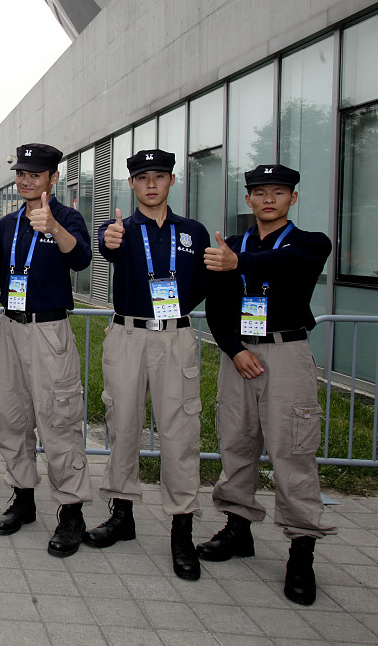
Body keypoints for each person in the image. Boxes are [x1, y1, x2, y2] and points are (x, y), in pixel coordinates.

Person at [200, 164, 336, 605]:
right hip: (238, 354)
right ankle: (238, 529)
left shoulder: (309, 243)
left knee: (291, 450)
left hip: (285, 352)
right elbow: (218, 304)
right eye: (260, 192)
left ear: (293, 198)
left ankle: (301, 550)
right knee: (236, 442)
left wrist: (240, 262)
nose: (269, 199)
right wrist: (233, 349)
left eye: (279, 192)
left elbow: (285, 267)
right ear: (249, 200)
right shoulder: (231, 245)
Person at [90, 148, 209, 581]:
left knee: (179, 431)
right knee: (123, 425)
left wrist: (174, 314)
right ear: (133, 185)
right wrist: (108, 240)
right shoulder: (120, 229)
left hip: (174, 338)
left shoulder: (192, 232)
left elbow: (199, 284)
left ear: (172, 181)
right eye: (143, 178)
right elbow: (107, 249)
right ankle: (122, 514)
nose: (151, 184)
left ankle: (181, 530)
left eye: (159, 176)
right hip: (127, 336)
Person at [0, 144, 94, 558]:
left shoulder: (68, 218)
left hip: (48, 330)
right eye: (21, 173)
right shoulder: (7, 225)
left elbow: (82, 259)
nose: (26, 180)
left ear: (53, 178)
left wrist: (54, 230)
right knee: (12, 417)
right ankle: (23, 498)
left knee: (58, 419)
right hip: (10, 328)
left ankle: (71, 511)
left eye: (35, 174)